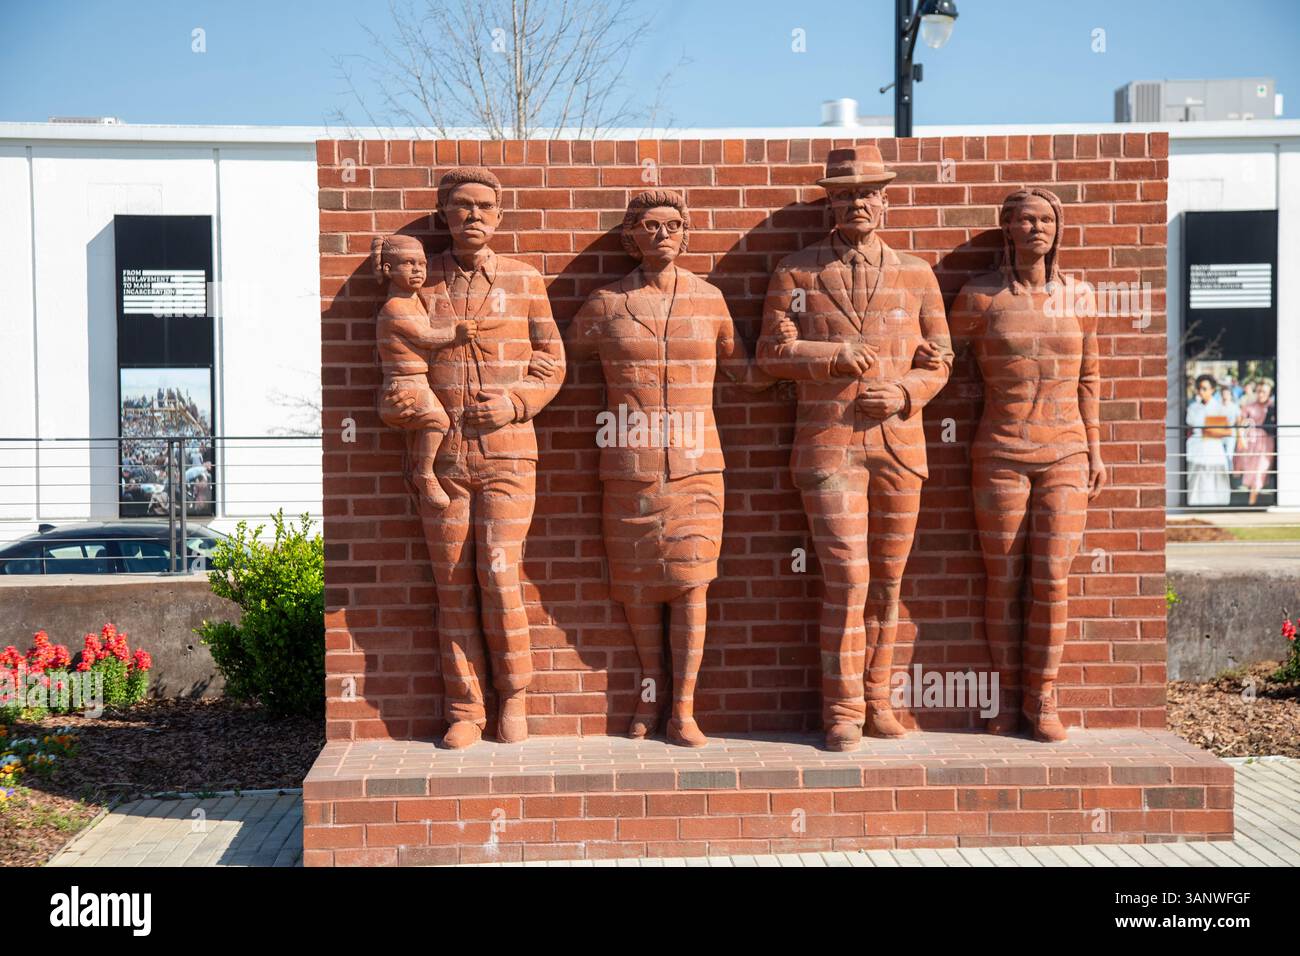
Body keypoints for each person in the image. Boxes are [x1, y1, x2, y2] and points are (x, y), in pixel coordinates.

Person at [757, 145, 952, 752]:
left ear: (884, 201)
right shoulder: (797, 273)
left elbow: (940, 357)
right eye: (844, 195)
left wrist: (904, 393)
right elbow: (768, 355)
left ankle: (877, 698)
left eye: (867, 193)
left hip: (898, 446)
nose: (857, 203)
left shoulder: (918, 274)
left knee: (888, 582)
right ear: (830, 205)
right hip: (829, 445)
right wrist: (826, 358)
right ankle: (841, 710)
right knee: (847, 578)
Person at [566, 189, 770, 747]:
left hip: (697, 466)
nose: (662, 234)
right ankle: (650, 687)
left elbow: (746, 372)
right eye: (650, 225)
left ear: (686, 234)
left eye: (673, 225)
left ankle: (683, 707)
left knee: (690, 585)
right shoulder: (606, 304)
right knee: (634, 587)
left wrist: (806, 359)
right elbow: (558, 357)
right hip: (629, 465)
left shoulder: (709, 301)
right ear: (632, 235)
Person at [385, 167, 565, 750]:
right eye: (461, 206)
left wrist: (516, 404)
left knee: (497, 569)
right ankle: (465, 708)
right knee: (452, 582)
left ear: (499, 214)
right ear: (443, 214)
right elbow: (395, 363)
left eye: (485, 206)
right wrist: (403, 406)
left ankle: (515, 696)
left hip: (510, 454)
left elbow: (552, 360)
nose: (473, 216)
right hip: (442, 459)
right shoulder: (417, 285)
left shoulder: (524, 279)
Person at [949, 187, 1106, 742]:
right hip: (1000, 452)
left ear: (1058, 229)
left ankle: (1043, 697)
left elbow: (1089, 378)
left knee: (1052, 578)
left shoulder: (1080, 298)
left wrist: (1094, 445)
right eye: (1025, 220)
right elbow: (939, 360)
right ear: (1008, 229)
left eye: (1046, 219)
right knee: (1004, 577)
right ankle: (1005, 699)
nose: (1037, 228)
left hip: (1065, 449)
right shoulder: (980, 298)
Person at [373, 234, 456, 509]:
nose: (419, 269)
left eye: (421, 263)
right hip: (404, 384)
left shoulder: (414, 301)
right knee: (438, 421)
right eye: (409, 263)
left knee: (427, 427)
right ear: (388, 269)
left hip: (417, 382)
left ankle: (417, 469)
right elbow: (426, 337)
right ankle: (424, 473)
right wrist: (457, 333)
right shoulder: (395, 308)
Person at [1186, 374, 1233, 507]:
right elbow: (1190, 427)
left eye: (1205, 389)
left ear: (1212, 390)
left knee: (1215, 478)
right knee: (1196, 478)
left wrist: (1212, 432)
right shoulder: (1193, 408)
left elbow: (1228, 431)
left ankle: (1216, 505)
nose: (1201, 392)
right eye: (1199, 389)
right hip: (1196, 448)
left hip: (1213, 447)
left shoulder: (1219, 408)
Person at [1234, 378, 1276, 505]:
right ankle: (1252, 501)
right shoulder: (1249, 407)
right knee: (1251, 471)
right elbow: (1240, 423)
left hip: (1265, 443)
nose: (1261, 394)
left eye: (1264, 391)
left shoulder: (1272, 407)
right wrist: (1241, 438)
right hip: (1251, 443)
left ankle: (1252, 502)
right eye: (1259, 391)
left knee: (1260, 470)